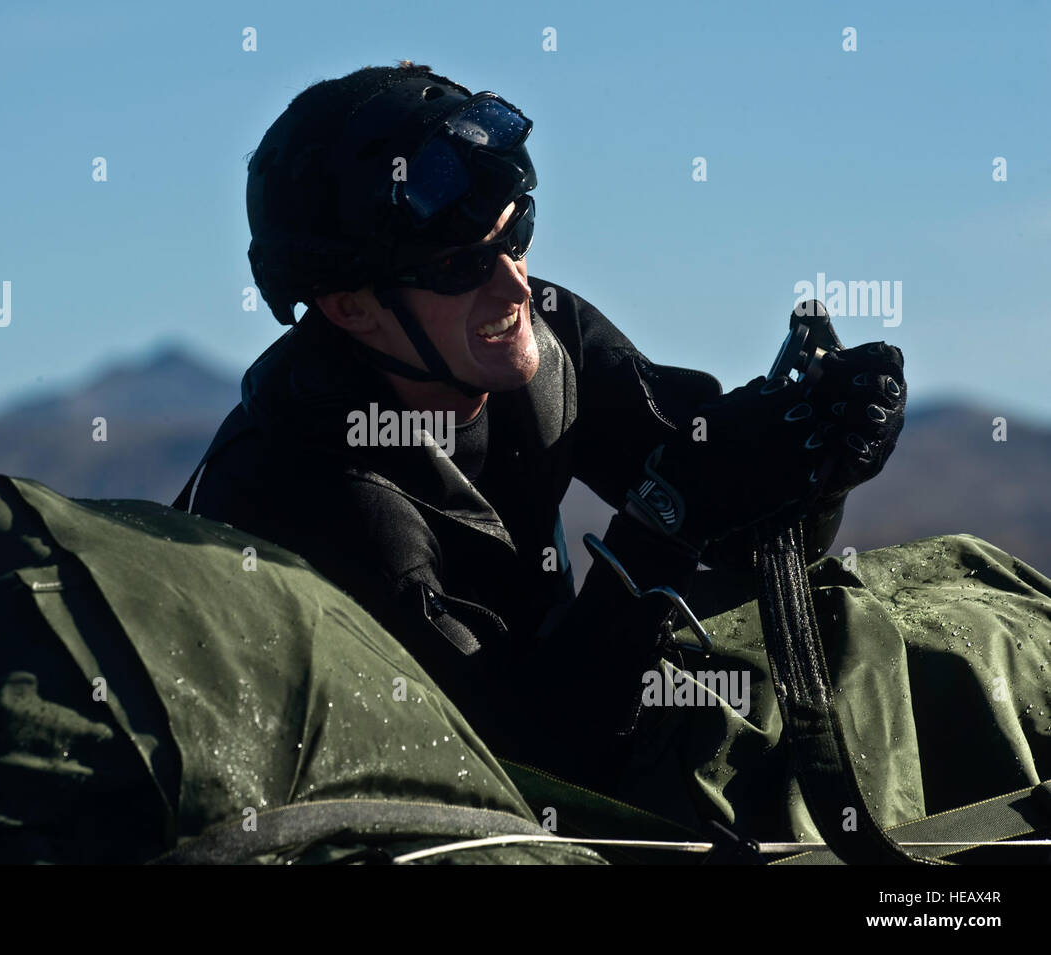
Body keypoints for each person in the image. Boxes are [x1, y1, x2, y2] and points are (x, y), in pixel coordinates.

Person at [173, 61, 910, 791]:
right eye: (461, 267)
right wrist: (662, 521)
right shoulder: (312, 487)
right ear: (349, 308)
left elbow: (741, 535)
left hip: (556, 726)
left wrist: (818, 462)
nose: (515, 284)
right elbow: (515, 765)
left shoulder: (543, 339)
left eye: (517, 232)